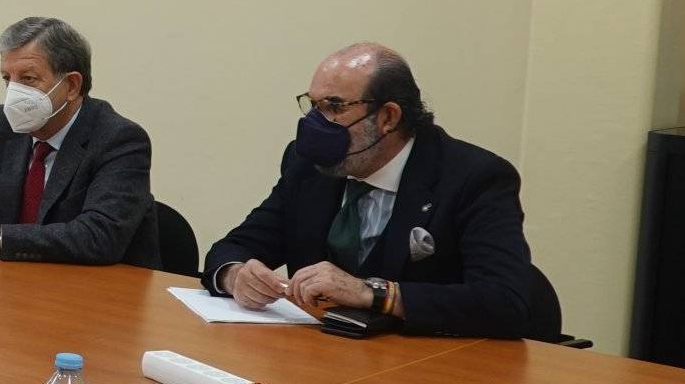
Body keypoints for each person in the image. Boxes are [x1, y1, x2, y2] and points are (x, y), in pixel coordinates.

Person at [201, 43, 537, 338]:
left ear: (388, 117)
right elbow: (235, 247)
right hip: (323, 357)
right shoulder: (309, 165)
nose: (316, 125)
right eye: (313, 106)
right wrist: (235, 276)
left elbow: (505, 301)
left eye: (334, 107)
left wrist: (373, 294)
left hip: (429, 370)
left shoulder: (474, 178)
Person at [0, 16, 157, 265]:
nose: (13, 94)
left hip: (100, 293)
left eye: (28, 79)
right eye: (7, 79)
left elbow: (99, 236)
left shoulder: (120, 139)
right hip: (8, 286)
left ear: (71, 85)